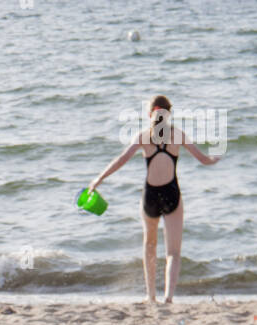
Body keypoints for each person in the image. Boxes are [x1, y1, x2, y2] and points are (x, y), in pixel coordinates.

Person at [89, 95, 221, 304]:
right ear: (169, 114)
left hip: (150, 196)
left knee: (149, 246)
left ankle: (151, 296)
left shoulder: (143, 136)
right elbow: (203, 159)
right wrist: (217, 158)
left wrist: (98, 179)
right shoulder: (178, 135)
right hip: (172, 194)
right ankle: (168, 297)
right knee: (173, 252)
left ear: (150, 113)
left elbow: (121, 160)